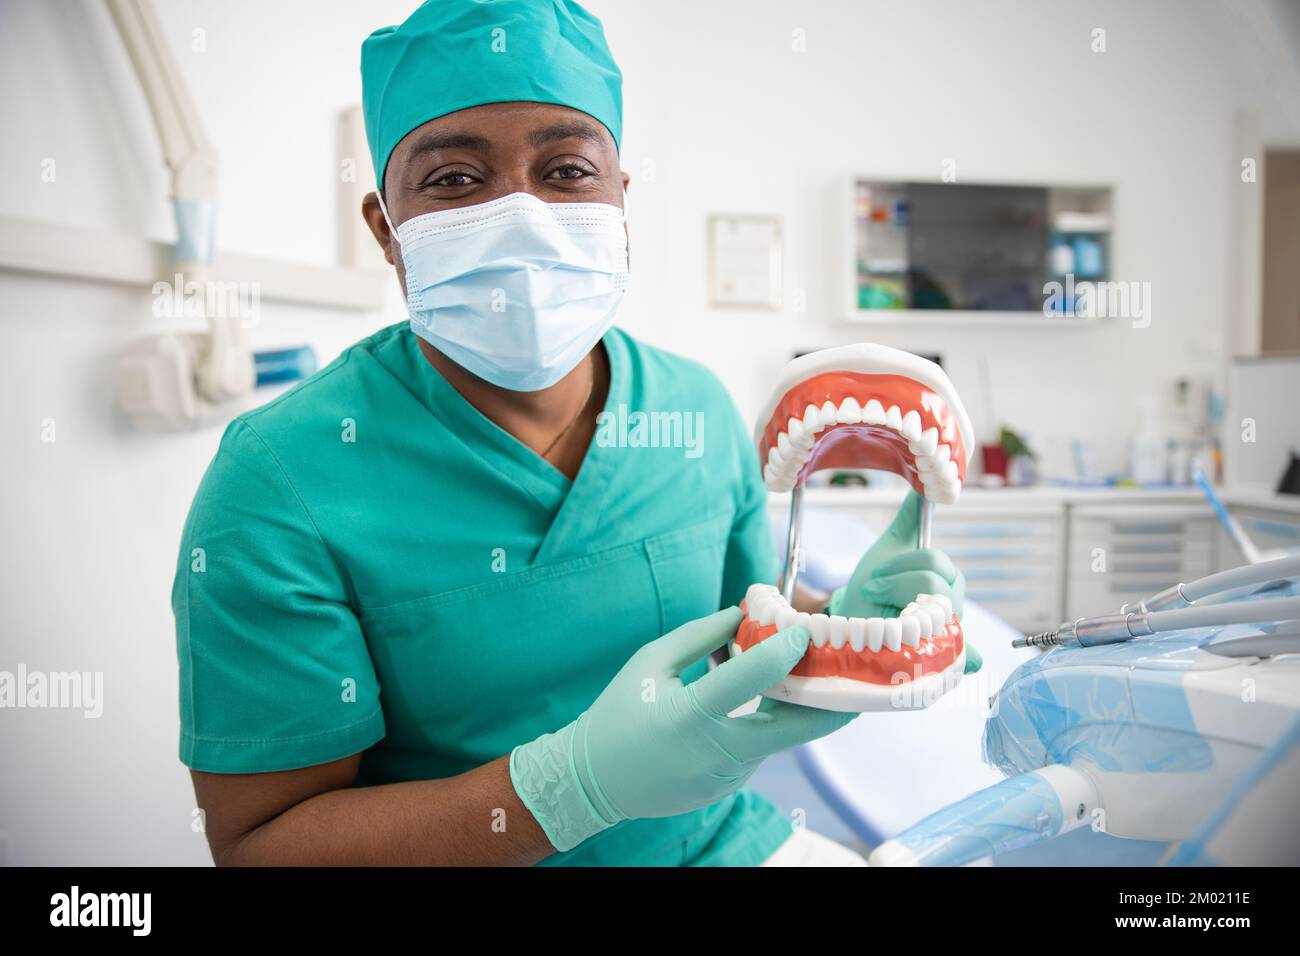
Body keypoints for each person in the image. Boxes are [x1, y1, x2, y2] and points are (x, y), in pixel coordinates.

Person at [172, 0, 966, 866]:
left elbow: (744, 625)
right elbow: (262, 846)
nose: (523, 216)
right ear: (386, 230)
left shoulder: (693, 409)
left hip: (719, 845)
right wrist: (563, 790)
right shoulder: (282, 482)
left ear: (620, 199)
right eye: (455, 181)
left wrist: (848, 628)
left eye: (566, 170)